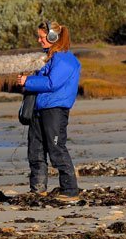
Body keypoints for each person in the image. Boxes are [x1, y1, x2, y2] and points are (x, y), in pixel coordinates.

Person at [17, 20, 81, 200]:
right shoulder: (47, 57)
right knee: (35, 150)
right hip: (39, 108)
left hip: (55, 110)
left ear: (53, 37)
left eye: (41, 37)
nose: (39, 40)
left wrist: (27, 82)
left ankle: (70, 191)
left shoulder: (65, 59)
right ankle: (38, 189)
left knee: (56, 149)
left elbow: (52, 83)